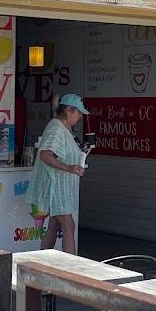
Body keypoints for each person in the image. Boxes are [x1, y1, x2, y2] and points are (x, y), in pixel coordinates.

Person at [27, 94, 89, 254]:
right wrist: (69, 168)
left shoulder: (64, 128)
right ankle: (70, 269)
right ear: (69, 110)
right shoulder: (56, 128)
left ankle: (43, 263)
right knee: (69, 226)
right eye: (79, 113)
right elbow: (45, 155)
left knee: (54, 226)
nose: (80, 117)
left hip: (61, 186)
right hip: (56, 187)